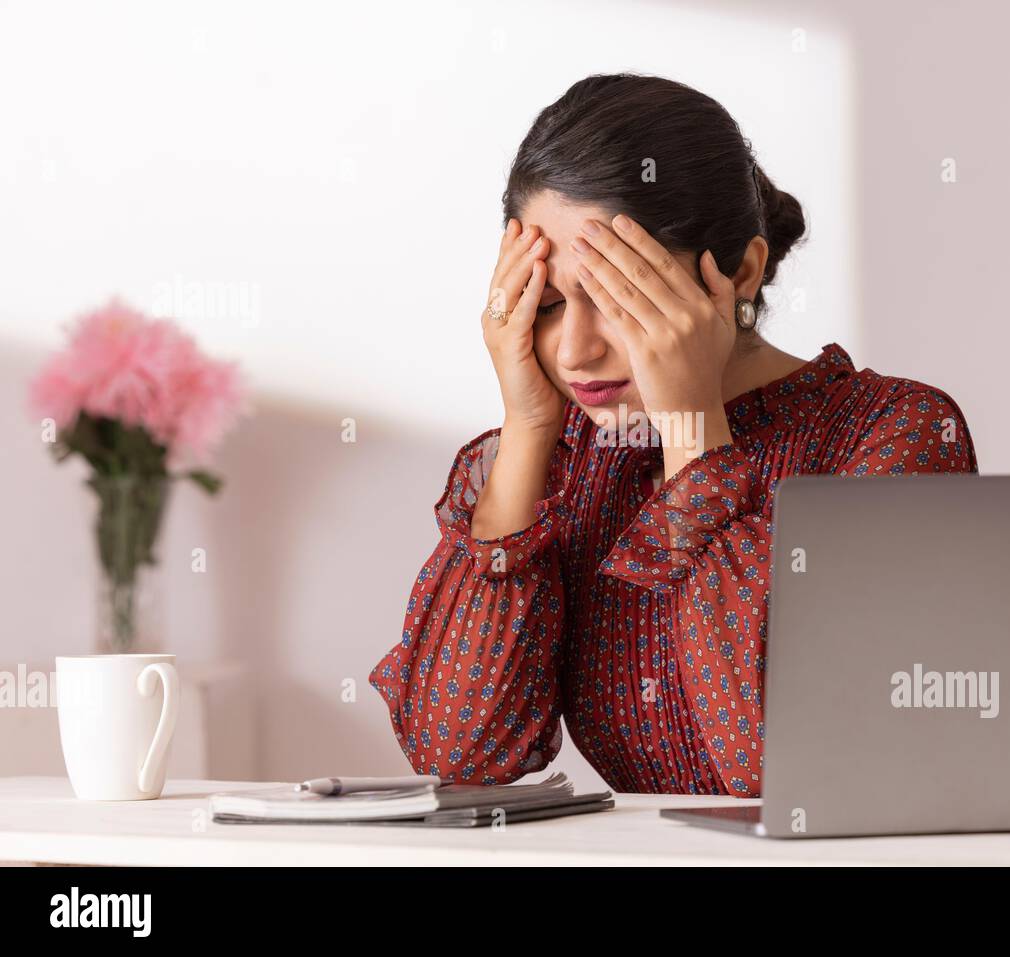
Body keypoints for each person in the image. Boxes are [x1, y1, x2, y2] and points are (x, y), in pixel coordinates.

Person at [370, 73, 978, 796]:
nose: (576, 351)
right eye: (549, 304)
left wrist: (693, 433)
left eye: (619, 297)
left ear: (741, 273)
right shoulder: (572, 458)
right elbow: (459, 757)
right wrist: (528, 429)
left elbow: (793, 770)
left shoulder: (895, 432)